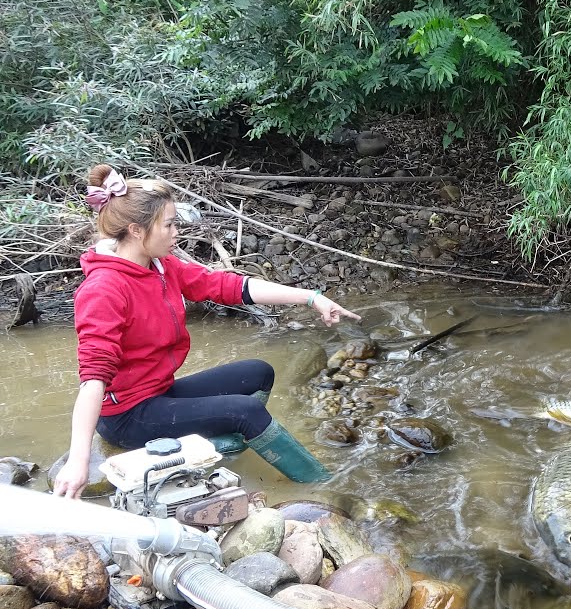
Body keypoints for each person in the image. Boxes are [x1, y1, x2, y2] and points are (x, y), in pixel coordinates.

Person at [52, 165, 361, 498]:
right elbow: (93, 378)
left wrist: (311, 298)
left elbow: (226, 286)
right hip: (127, 416)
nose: (176, 232)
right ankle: (325, 489)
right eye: (169, 225)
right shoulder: (104, 289)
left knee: (257, 373)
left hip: (158, 392)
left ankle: (226, 445)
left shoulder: (160, 266)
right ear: (137, 231)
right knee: (247, 411)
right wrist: (78, 460)